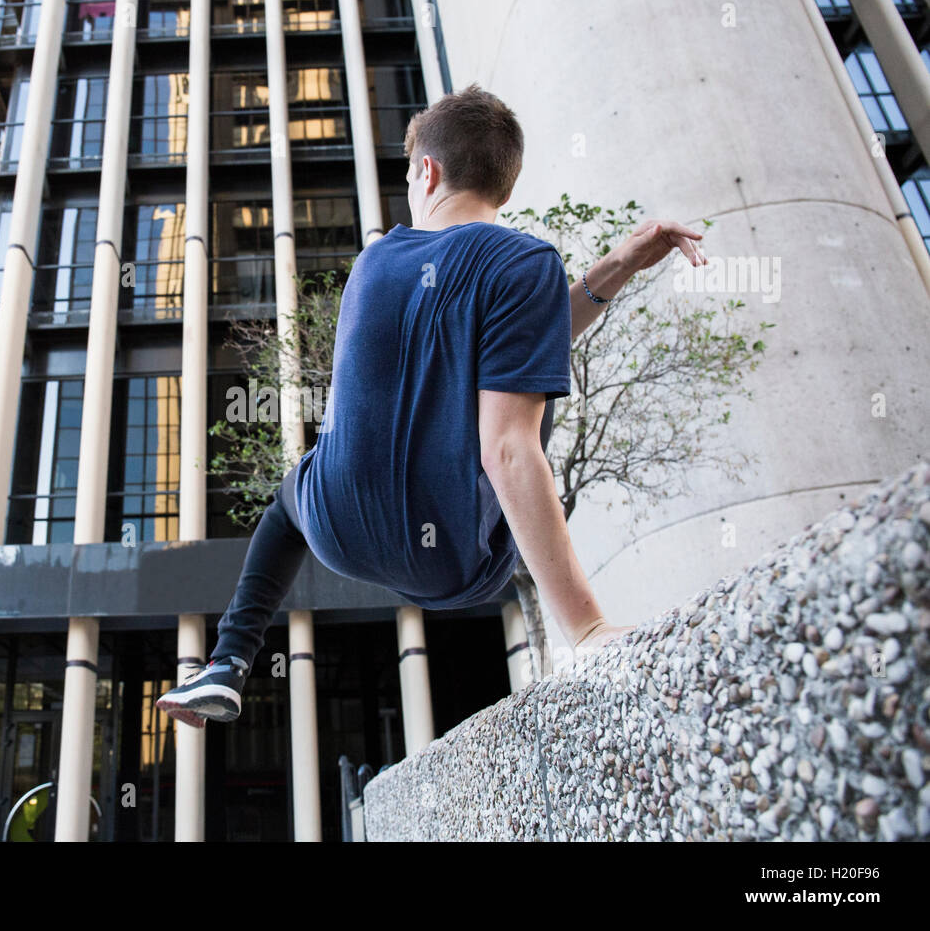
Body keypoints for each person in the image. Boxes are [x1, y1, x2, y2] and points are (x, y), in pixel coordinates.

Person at [156, 84, 706, 729]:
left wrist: (612, 268)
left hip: (337, 530)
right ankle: (579, 626)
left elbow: (513, 332)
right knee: (513, 399)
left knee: (288, 496)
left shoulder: (377, 260)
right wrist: (586, 630)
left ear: (427, 170)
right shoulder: (521, 262)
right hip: (453, 558)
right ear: (504, 184)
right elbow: (507, 442)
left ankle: (228, 662)